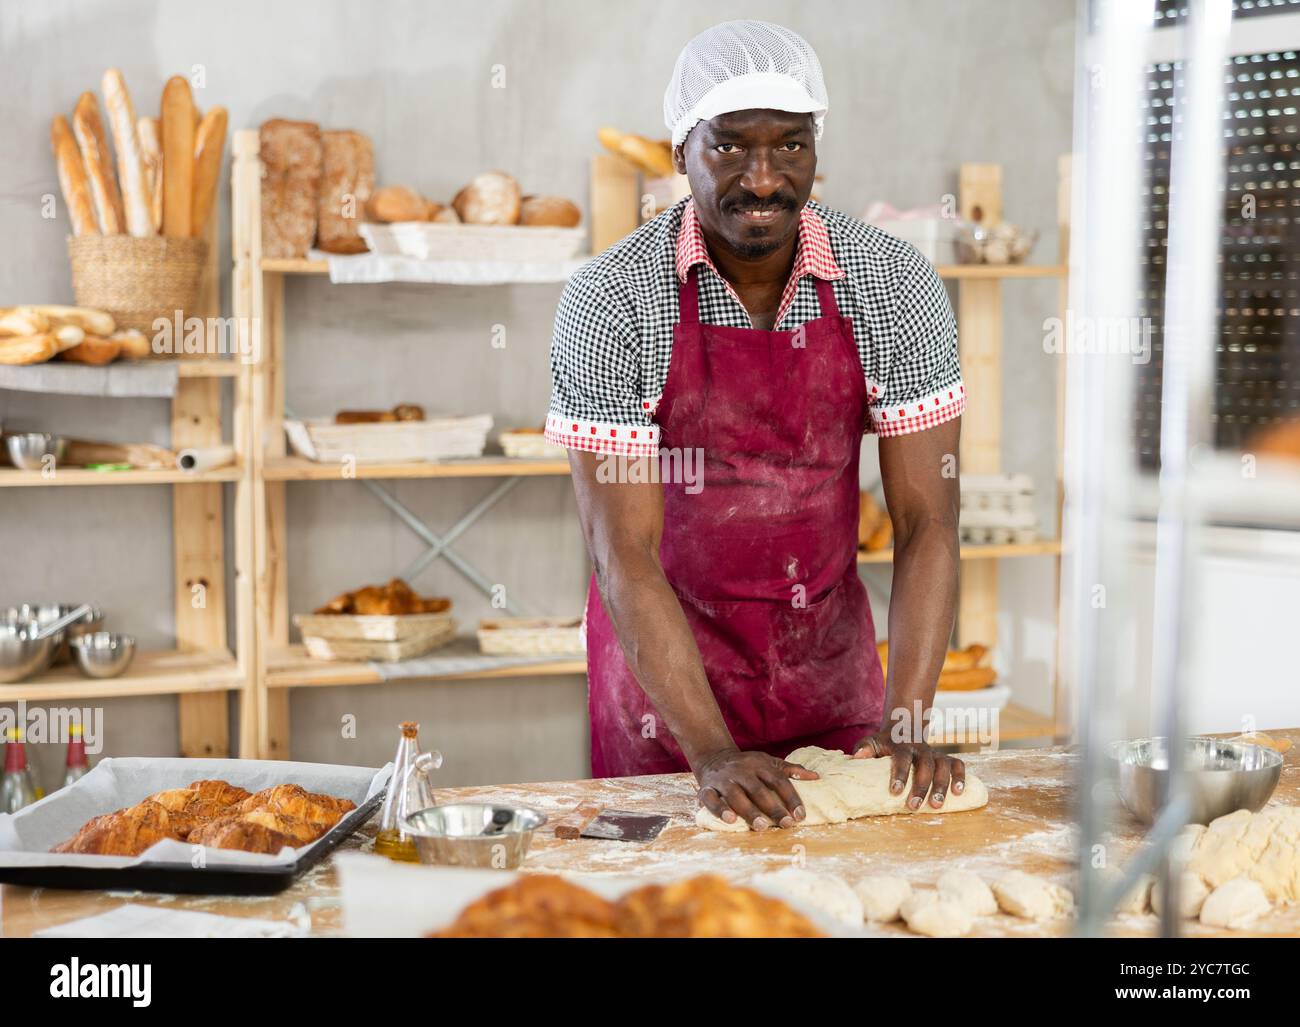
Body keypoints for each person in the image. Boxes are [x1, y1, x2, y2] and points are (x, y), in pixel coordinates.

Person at [545, 20, 967, 829]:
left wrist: (906, 720)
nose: (765, 177)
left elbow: (928, 521)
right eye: (731, 147)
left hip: (830, 682)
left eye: (791, 146)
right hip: (665, 712)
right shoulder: (611, 300)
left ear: (818, 148)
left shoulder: (893, 283)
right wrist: (709, 751)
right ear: (680, 151)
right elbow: (620, 551)